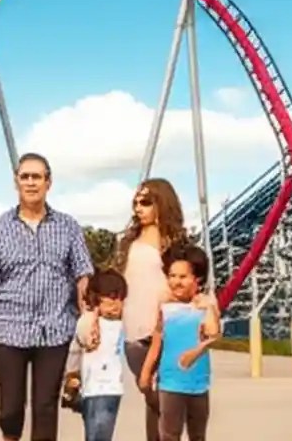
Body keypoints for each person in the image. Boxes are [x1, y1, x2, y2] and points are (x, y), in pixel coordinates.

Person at [0, 151, 95, 441]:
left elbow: (82, 275)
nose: (30, 182)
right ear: (16, 183)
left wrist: (89, 316)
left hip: (55, 329)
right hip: (8, 330)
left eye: (36, 176)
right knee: (10, 410)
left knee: (46, 407)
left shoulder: (68, 226)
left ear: (48, 182)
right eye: (24, 176)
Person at [113, 178, 189, 441]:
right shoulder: (128, 242)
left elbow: (189, 284)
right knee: (153, 395)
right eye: (135, 202)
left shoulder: (176, 244)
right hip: (134, 332)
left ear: (161, 203)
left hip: (167, 330)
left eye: (145, 202)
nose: (138, 208)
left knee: (164, 400)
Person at [137, 244, 220, 441]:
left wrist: (208, 308)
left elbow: (213, 333)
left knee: (198, 435)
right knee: (169, 435)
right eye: (172, 276)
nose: (176, 282)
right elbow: (157, 343)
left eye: (182, 277)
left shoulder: (205, 305)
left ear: (197, 278)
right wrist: (146, 373)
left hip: (199, 385)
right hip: (170, 384)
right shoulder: (165, 307)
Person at [71, 269, 130, 441]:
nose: (116, 303)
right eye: (111, 297)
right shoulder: (89, 321)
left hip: (112, 389)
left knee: (100, 434)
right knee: (95, 433)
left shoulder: (121, 324)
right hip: (92, 389)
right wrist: (94, 313)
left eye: (121, 298)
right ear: (97, 298)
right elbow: (83, 338)